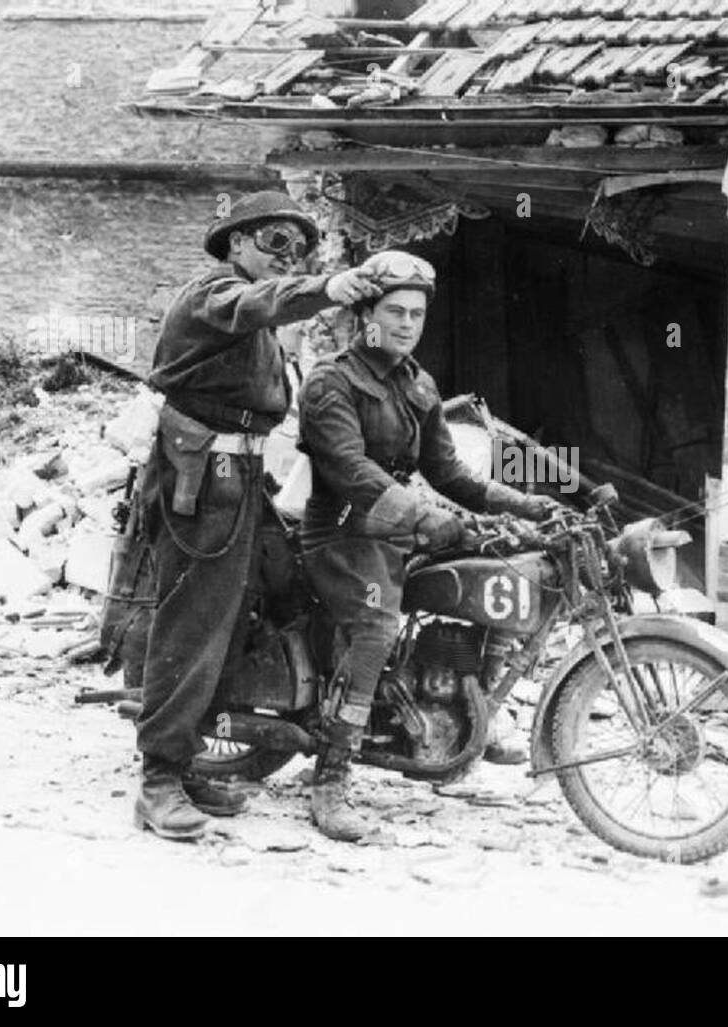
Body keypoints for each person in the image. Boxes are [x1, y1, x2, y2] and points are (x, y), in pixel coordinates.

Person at [130, 190, 381, 841]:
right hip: (198, 481)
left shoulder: (259, 325)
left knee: (245, 614)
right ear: (235, 241)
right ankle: (158, 779)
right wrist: (330, 284)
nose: (287, 259)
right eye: (275, 244)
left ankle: (190, 762)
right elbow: (258, 302)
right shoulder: (213, 294)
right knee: (193, 623)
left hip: (239, 477)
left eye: (299, 251)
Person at [297, 250, 555, 842]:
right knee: (376, 628)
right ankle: (330, 780)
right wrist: (428, 519)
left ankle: (471, 715)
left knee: (493, 576)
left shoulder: (418, 384)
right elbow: (350, 471)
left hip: (396, 527)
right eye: (395, 311)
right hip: (342, 531)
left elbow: (450, 473)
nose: (408, 323)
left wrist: (520, 503)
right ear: (366, 314)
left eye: (416, 313)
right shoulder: (330, 382)